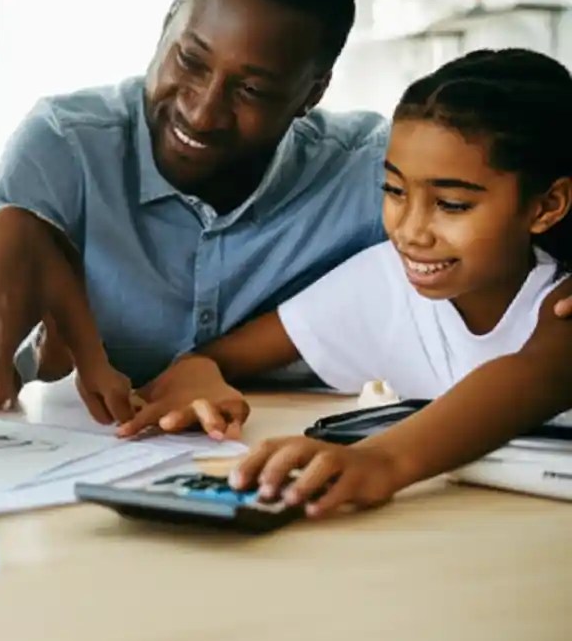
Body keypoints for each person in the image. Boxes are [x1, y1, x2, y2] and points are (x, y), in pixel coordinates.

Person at [0, 0, 572, 425]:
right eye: (189, 60)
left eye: (252, 88)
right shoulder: (65, 146)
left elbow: (524, 177)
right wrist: (7, 250)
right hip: (97, 446)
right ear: (166, 28)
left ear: (312, 92)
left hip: (278, 450)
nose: (202, 108)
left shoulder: (373, 173)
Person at [121, 49, 572, 516]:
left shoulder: (560, 296)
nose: (411, 231)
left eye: (453, 204)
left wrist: (380, 460)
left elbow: (540, 374)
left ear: (547, 206)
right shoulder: (383, 281)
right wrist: (196, 373)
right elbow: (217, 358)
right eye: (395, 191)